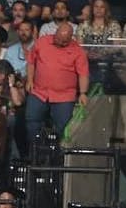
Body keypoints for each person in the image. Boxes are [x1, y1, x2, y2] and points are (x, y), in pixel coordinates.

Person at [25, 20, 89, 148]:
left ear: (70, 38)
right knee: (31, 121)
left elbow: (83, 74)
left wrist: (82, 93)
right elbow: (31, 62)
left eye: (63, 41)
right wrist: (30, 80)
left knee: (64, 126)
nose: (59, 42)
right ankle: (36, 152)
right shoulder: (42, 42)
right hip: (39, 91)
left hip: (64, 96)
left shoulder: (78, 51)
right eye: (57, 38)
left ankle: (58, 156)